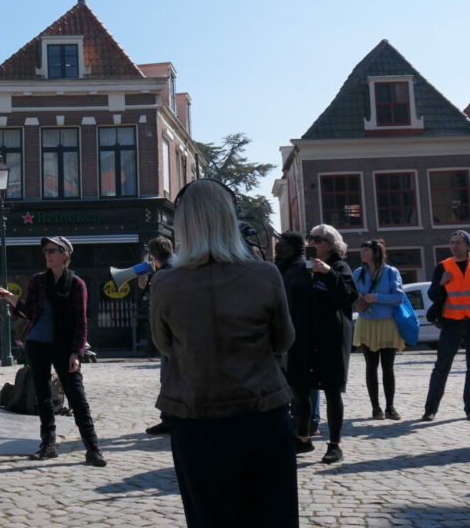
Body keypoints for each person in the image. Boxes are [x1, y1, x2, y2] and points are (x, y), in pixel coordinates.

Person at [149, 179, 297, 527]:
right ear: (231, 218)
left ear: (181, 224)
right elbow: (283, 341)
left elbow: (164, 344)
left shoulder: (166, 283)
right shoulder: (266, 275)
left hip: (196, 417)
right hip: (261, 410)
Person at [0, 236, 106, 467]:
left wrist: (76, 352)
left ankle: (93, 449)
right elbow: (28, 312)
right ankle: (48, 445)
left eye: (52, 250)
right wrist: (9, 298)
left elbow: (81, 322)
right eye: (45, 250)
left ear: (65, 254)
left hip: (64, 346)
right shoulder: (38, 281)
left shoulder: (76, 284)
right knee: (43, 397)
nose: (47, 254)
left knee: (77, 397)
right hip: (36, 344)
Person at [285, 224, 358, 463]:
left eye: (317, 239)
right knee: (301, 389)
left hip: (330, 339)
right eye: (310, 238)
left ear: (330, 244)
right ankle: (303, 438)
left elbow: (349, 296)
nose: (311, 243)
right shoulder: (302, 268)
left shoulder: (339, 267)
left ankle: (335, 444)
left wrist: (328, 273)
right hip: (304, 337)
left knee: (332, 391)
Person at [423, 230, 470, 422]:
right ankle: (430, 409)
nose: (454, 246)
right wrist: (441, 283)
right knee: (441, 367)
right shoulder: (443, 267)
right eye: (452, 242)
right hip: (451, 322)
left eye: (458, 242)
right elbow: (433, 295)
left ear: (468, 246)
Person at [352, 239, 405, 421]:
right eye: (362, 250)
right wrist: (358, 300)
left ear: (375, 252)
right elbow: (352, 296)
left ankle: (390, 407)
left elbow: (399, 297)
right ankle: (376, 408)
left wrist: (376, 297)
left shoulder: (391, 272)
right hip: (366, 322)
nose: (362, 253)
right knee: (371, 367)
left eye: (365, 250)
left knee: (388, 367)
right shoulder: (358, 273)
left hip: (387, 323)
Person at [274, 230, 321, 435]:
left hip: (302, 331)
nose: (278, 247)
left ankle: (310, 421)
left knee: (305, 383)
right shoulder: (281, 267)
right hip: (285, 330)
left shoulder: (303, 267)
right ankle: (298, 420)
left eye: (282, 244)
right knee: (292, 381)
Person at [140, 236, 175, 436]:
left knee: (168, 377)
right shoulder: (175, 268)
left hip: (170, 334)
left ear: (154, 255)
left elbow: (159, 307)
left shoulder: (164, 273)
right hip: (178, 332)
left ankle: (170, 419)